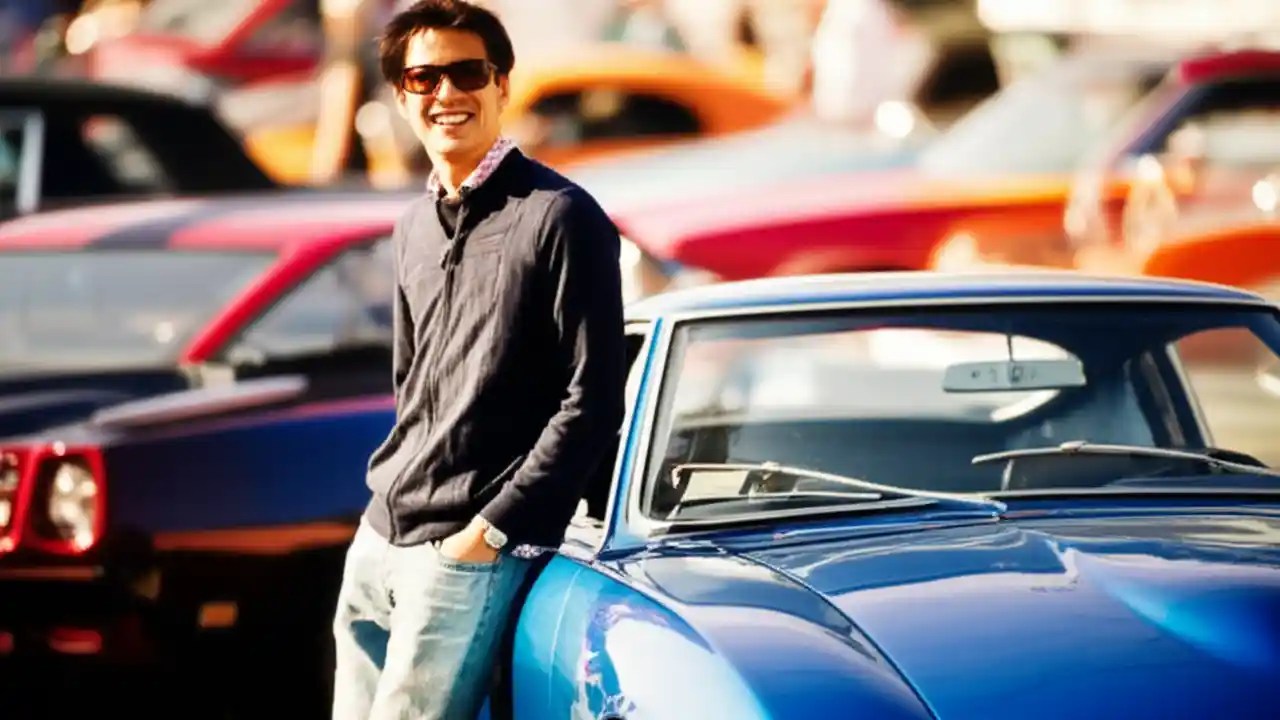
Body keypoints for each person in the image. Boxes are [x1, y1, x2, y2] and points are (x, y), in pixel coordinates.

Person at [329, 1, 627, 719]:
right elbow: (414, 388)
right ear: (401, 98)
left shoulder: (560, 216)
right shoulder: (410, 227)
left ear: (502, 85)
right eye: (425, 78)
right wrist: (381, 513)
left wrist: (490, 531)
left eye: (468, 73)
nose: (447, 95)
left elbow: (592, 402)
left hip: (463, 554)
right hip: (380, 536)